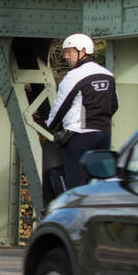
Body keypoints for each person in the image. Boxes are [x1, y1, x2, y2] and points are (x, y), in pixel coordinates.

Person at [46, 34, 117, 190]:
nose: (65, 56)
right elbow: (114, 105)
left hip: (79, 137)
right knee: (98, 184)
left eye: (69, 52)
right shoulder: (108, 75)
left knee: (76, 187)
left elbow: (60, 106)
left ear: (82, 50)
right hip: (103, 135)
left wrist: (50, 125)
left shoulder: (74, 76)